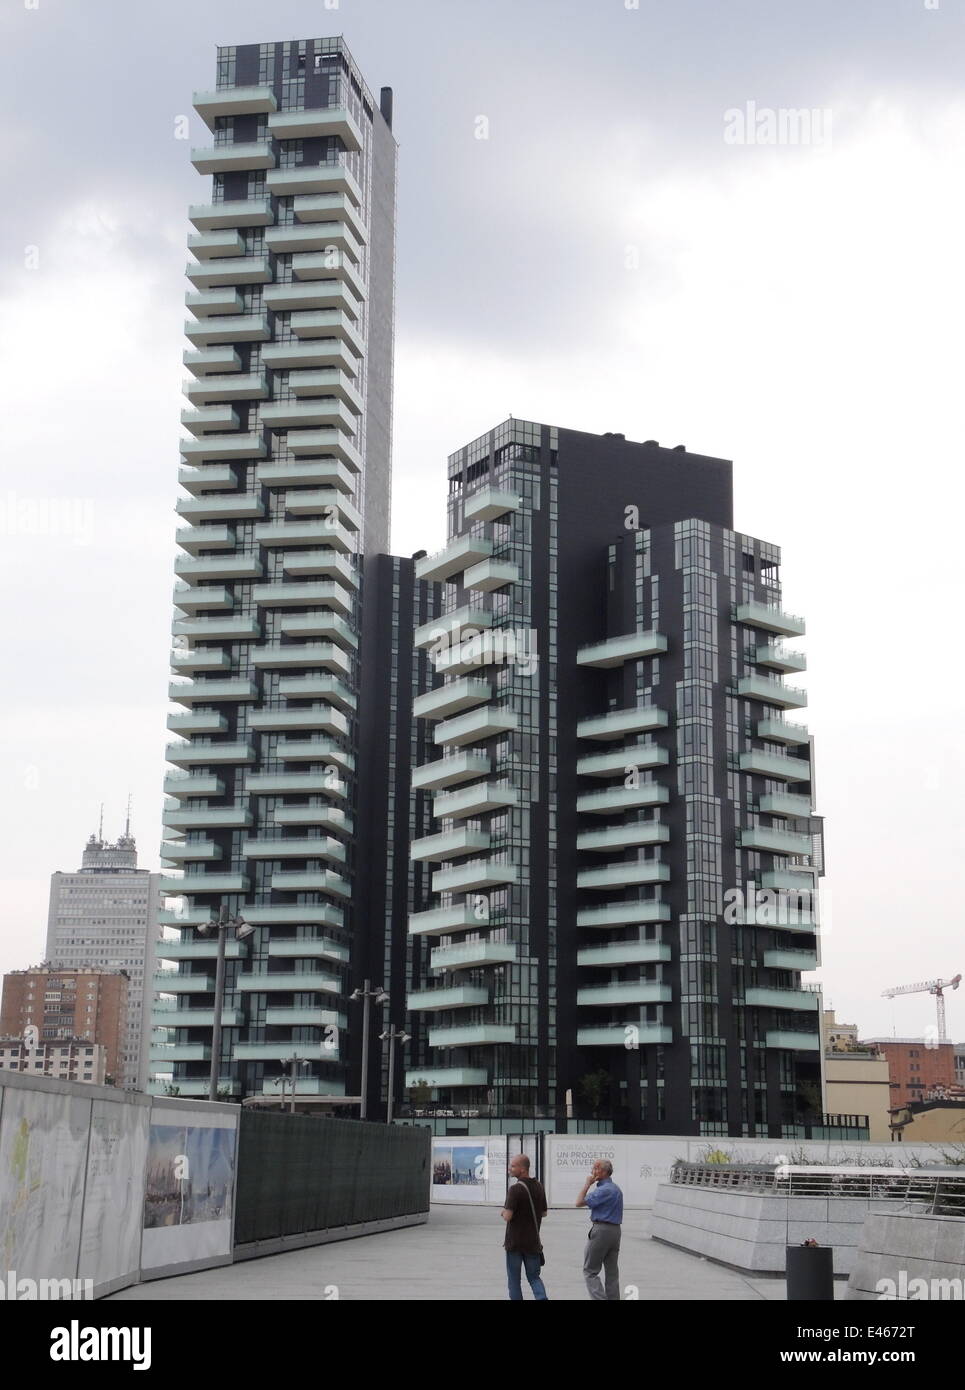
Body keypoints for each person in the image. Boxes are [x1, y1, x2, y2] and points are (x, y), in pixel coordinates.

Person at [501, 1153, 548, 1300]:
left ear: (523, 1169)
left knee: (514, 1281)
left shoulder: (515, 1189)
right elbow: (544, 1213)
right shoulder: (539, 1186)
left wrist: (502, 1212)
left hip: (514, 1243)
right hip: (532, 1242)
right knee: (534, 1278)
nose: (510, 1168)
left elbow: (508, 1216)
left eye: (513, 1166)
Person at [576, 1158, 623, 1300]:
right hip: (616, 1231)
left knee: (590, 1270)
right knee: (612, 1272)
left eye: (594, 1169)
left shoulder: (603, 1190)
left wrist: (587, 1184)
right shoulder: (616, 1189)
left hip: (601, 1230)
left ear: (601, 1171)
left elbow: (578, 1202)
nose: (592, 1171)